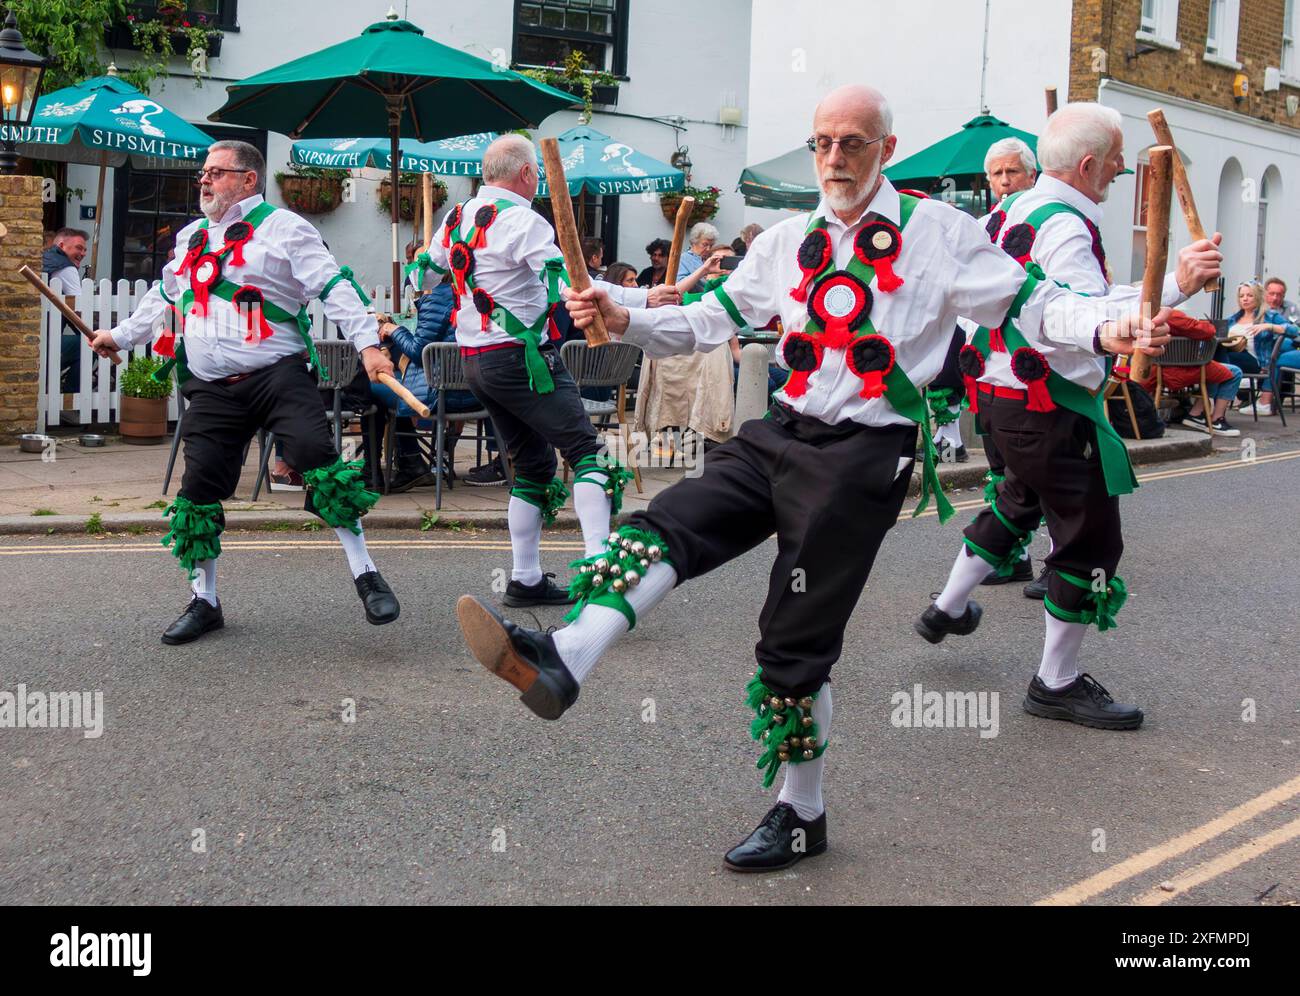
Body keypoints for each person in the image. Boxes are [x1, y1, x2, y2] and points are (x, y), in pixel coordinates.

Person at [454, 84, 1171, 873]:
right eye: (823, 142)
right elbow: (712, 318)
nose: (834, 157)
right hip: (782, 430)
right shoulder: (787, 239)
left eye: (853, 142)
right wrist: (629, 321)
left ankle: (802, 812)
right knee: (663, 524)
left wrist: (1107, 323)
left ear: (886, 150)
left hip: (866, 452)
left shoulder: (941, 233)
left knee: (791, 643)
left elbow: (1034, 307)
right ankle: (567, 657)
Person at [916, 102, 1221, 732]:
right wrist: (1146, 309)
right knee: (1090, 539)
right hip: (1049, 405)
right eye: (1115, 159)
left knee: (1017, 502)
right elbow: (1075, 311)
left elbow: (1061, 299)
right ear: (1088, 164)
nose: (1120, 170)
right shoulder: (1065, 228)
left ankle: (946, 608)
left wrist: (1171, 288)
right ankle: (1055, 684)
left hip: (1003, 400)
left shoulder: (1013, 208)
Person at [88, 140, 400, 644]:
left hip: (277, 374)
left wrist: (367, 345)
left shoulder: (287, 229)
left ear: (249, 180)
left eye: (216, 172)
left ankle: (366, 574)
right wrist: (120, 337)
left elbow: (334, 287)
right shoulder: (190, 237)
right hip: (212, 387)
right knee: (199, 490)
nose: (204, 180)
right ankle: (204, 600)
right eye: (203, 173)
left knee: (317, 460)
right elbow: (163, 295)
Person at [412, 134, 678, 607]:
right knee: (589, 454)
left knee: (534, 466)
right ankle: (600, 576)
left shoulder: (454, 218)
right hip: (523, 360)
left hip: (474, 362)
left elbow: (423, 278)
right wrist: (643, 297)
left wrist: (425, 260)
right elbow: (569, 286)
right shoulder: (524, 222)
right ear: (528, 175)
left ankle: (526, 580)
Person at [1136, 310, 1241, 436]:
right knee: (1234, 372)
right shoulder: (1172, 315)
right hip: (1182, 371)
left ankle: (1196, 413)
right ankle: (1216, 419)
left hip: (1154, 372)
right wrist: (1206, 324)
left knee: (1215, 370)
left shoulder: (1144, 314)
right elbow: (1208, 332)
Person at [1225, 281, 1299, 416]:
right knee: (1216, 353)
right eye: (1242, 296)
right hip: (1234, 357)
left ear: (1258, 297)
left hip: (1255, 362)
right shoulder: (1233, 319)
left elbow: (1294, 330)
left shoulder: (1269, 315)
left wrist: (1269, 326)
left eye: (1250, 295)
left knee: (1221, 357)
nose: (1245, 299)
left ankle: (1244, 381)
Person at [42, 227, 89, 391]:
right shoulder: (66, 268)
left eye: (84, 250)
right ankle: (71, 397)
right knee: (89, 345)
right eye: (78, 247)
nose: (83, 253)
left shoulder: (44, 258)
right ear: (62, 245)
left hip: (35, 338)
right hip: (45, 343)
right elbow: (80, 308)